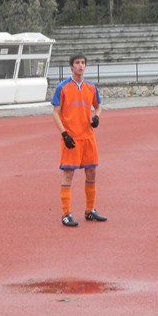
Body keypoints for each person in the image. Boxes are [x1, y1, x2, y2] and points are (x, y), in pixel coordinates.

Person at [51, 53, 108, 227]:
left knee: (92, 172)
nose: (80, 66)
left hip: (88, 136)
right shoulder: (63, 87)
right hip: (72, 138)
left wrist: (97, 117)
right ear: (71, 66)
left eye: (83, 63)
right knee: (68, 173)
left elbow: (98, 107)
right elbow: (55, 112)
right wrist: (64, 134)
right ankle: (66, 214)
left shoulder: (91, 87)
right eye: (77, 63)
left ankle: (90, 210)